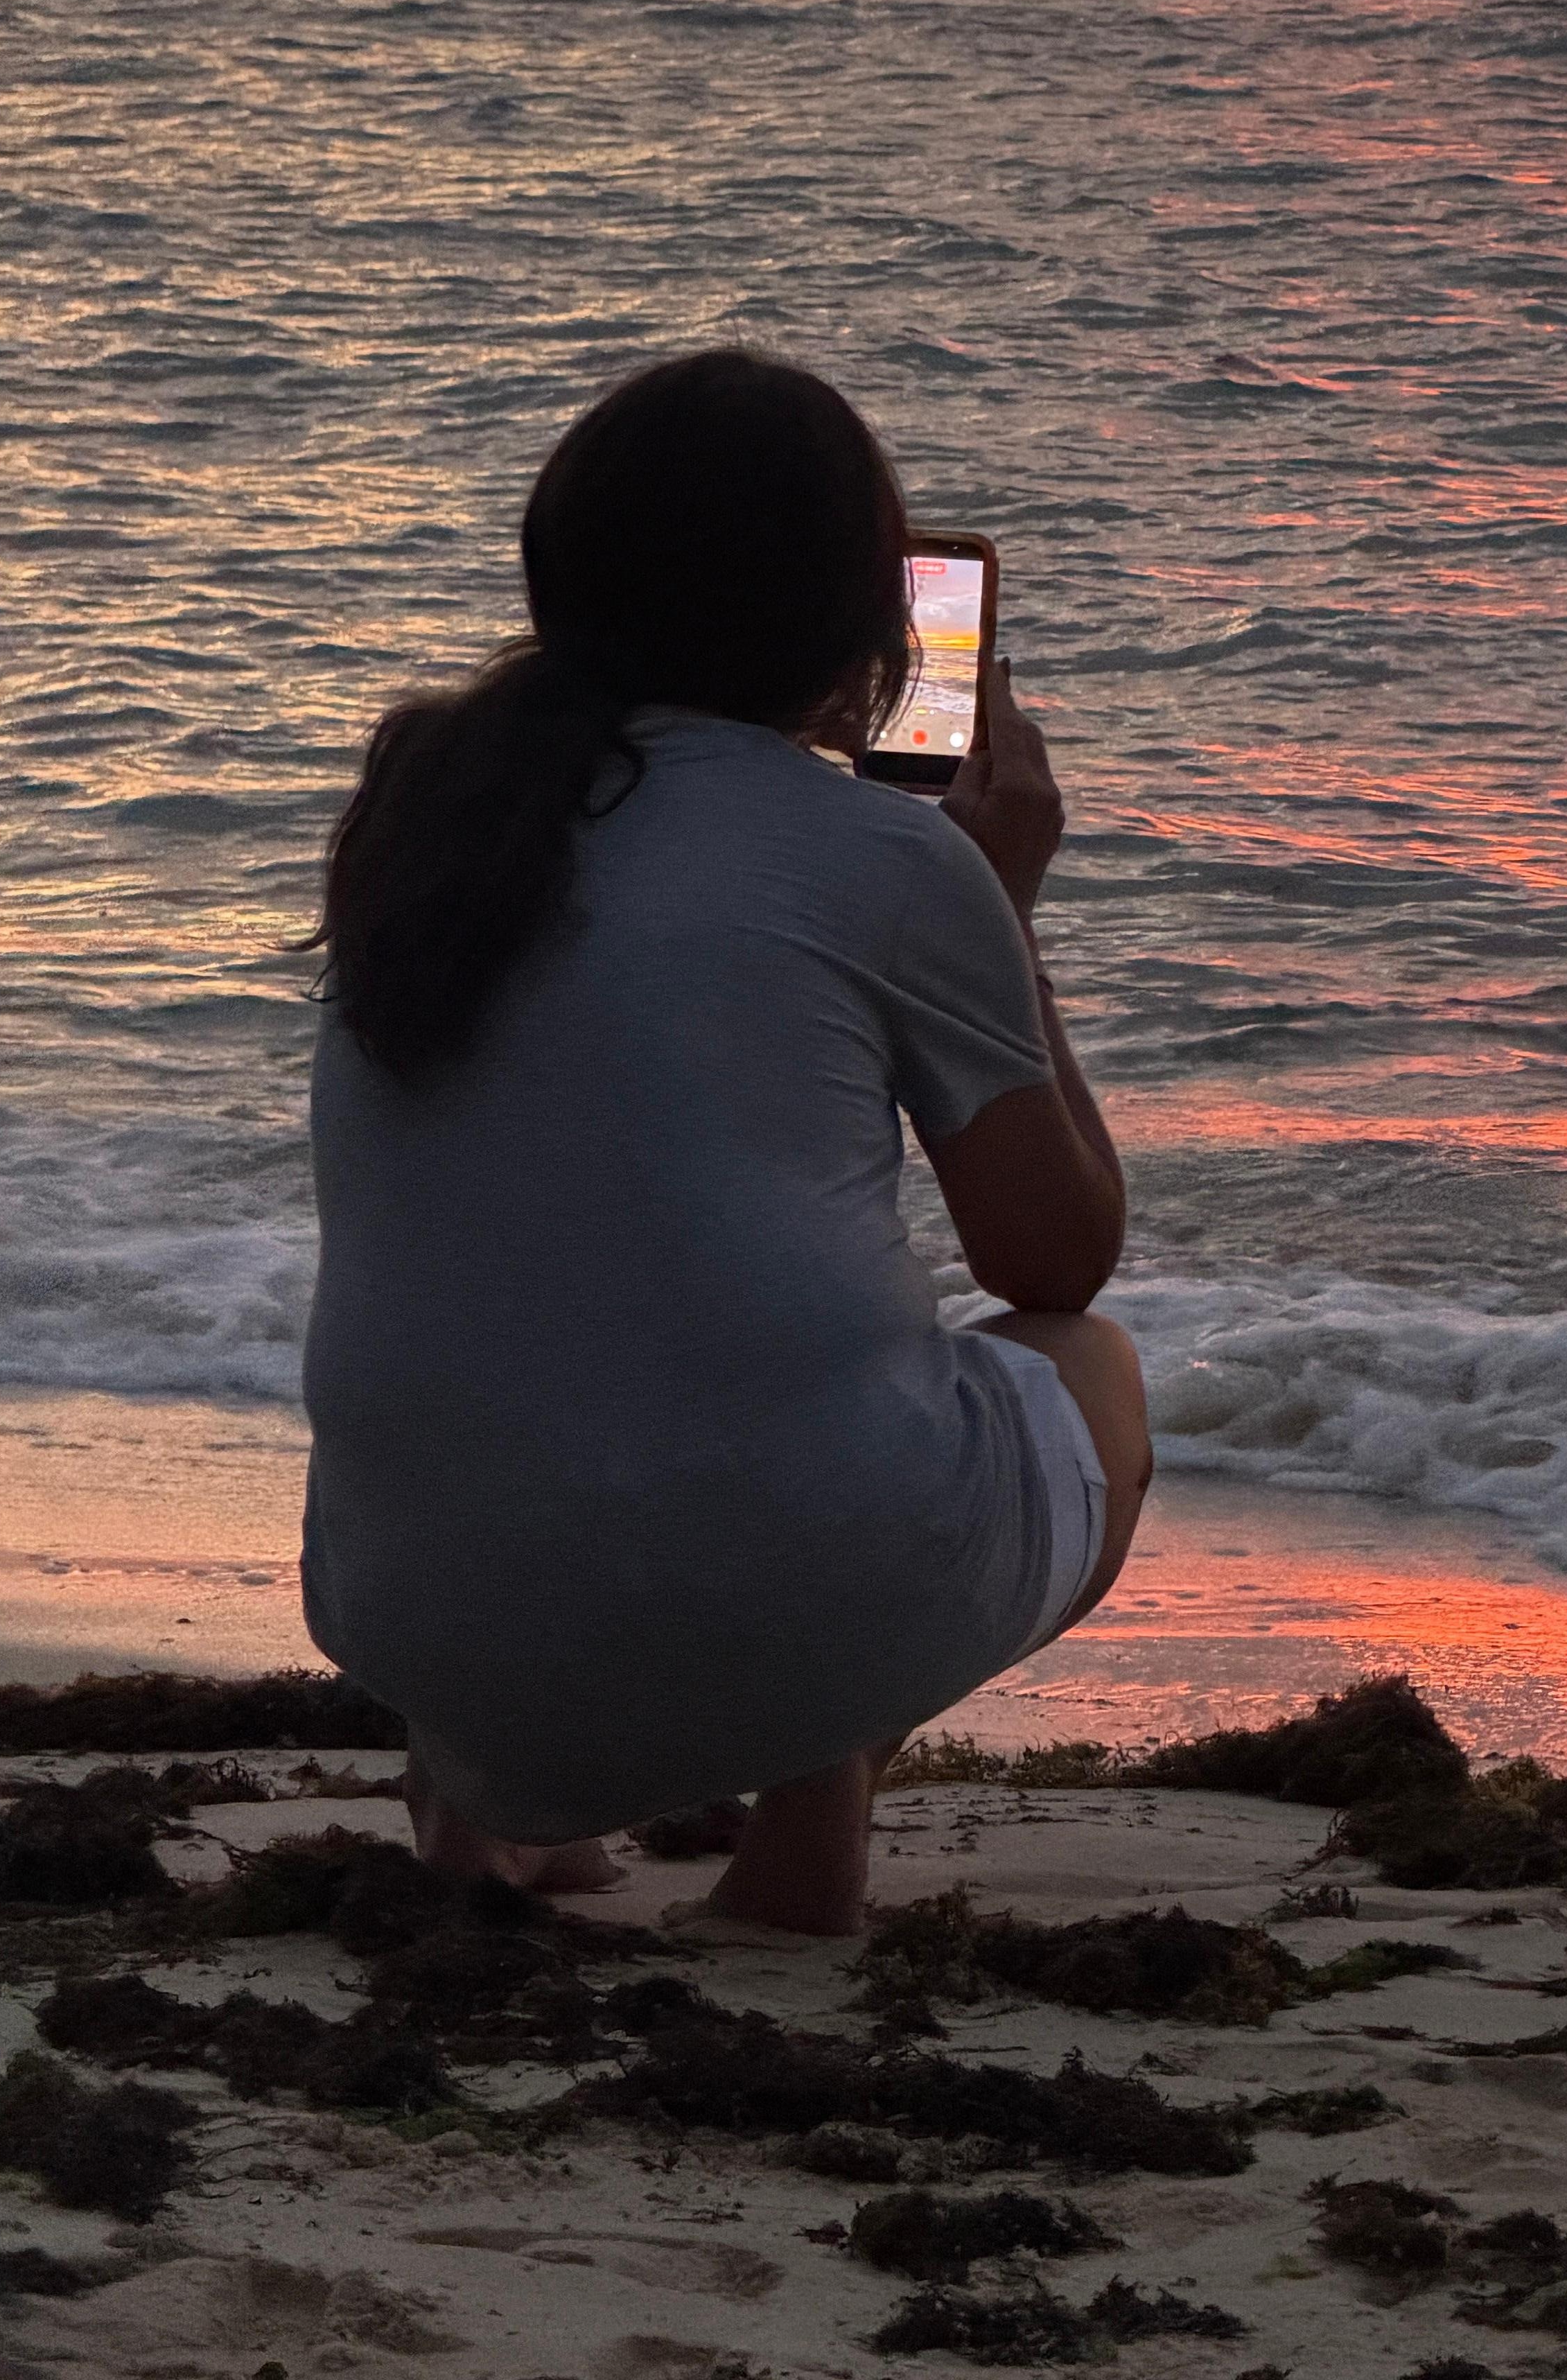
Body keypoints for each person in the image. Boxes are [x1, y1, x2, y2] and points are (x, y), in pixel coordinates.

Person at [300, 348, 1148, 1936]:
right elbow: (1057, 1254)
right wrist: (1007, 920)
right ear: (860, 625)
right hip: (776, 1593)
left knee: (541, 1291)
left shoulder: (425, 824)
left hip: (412, 1606)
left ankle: (478, 1812)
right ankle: (799, 1845)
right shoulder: (890, 857)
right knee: (1076, 1359)